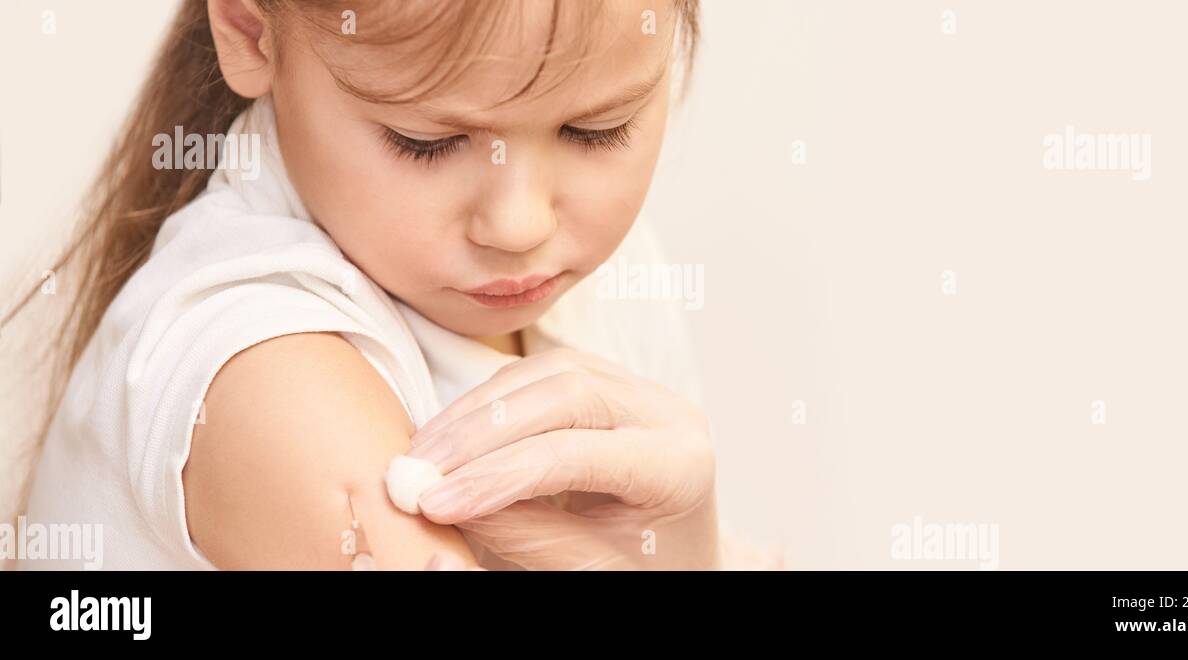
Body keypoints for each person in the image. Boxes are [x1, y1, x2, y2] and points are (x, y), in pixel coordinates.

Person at [16, 0, 764, 570]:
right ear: (249, 29)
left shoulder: (613, 280)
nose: (519, 225)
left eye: (596, 130)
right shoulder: (259, 373)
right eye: (426, 142)